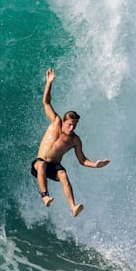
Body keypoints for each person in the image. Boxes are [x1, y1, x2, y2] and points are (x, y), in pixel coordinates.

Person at [30, 68, 109, 217]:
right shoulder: (55, 122)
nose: (72, 128)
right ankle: (45, 196)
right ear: (64, 121)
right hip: (41, 162)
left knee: (63, 175)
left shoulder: (75, 140)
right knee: (41, 165)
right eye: (70, 124)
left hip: (54, 166)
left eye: (75, 125)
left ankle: (73, 207)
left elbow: (82, 159)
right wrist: (49, 83)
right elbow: (46, 102)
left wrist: (95, 164)